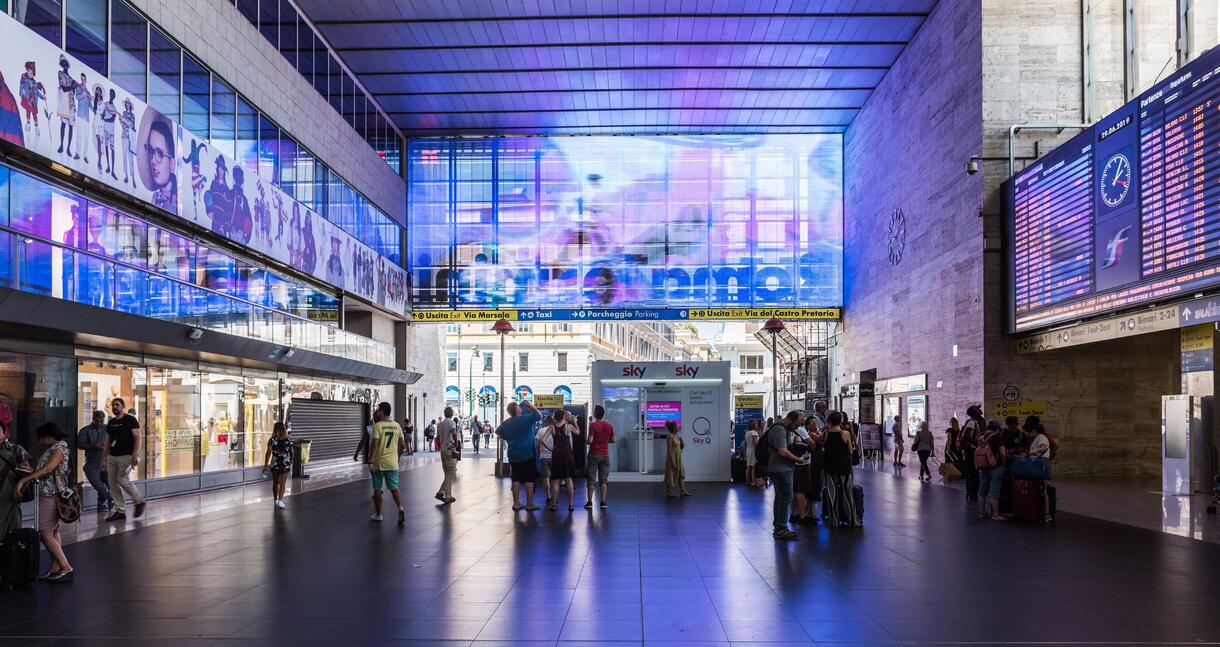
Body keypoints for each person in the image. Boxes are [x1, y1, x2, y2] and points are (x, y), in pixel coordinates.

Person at [14, 422, 74, 583]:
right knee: (53, 532)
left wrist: (24, 480)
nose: (40, 442)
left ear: (49, 436)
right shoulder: (54, 449)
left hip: (50, 494)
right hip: (50, 493)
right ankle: (56, 568)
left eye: (42, 438)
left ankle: (66, 567)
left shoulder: (59, 449)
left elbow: (48, 469)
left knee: (44, 534)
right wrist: (30, 472)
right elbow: (45, 470)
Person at [765, 411, 806, 540]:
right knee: (785, 498)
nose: (797, 427)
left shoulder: (781, 429)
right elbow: (782, 451)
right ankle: (781, 528)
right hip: (781, 469)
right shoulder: (779, 430)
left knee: (781, 497)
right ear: (790, 420)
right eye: (797, 424)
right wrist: (798, 459)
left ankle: (779, 526)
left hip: (780, 468)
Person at [102, 398, 144, 522]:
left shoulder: (130, 420)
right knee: (112, 483)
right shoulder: (111, 422)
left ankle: (139, 501)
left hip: (126, 456)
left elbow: (137, 438)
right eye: (113, 405)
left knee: (122, 479)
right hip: (112, 456)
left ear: (123, 406)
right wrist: (103, 459)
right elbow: (107, 441)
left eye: (117, 405)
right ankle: (120, 511)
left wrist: (134, 455)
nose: (115, 407)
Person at [499, 399, 542, 511]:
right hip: (527, 453)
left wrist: (508, 438)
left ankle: (516, 503)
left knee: (516, 479)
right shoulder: (525, 419)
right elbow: (539, 415)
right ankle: (529, 503)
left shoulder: (506, 422)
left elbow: (498, 432)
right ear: (517, 409)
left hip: (513, 454)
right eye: (519, 406)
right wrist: (529, 405)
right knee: (529, 479)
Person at [369, 402, 406, 524]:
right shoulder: (397, 426)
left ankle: (379, 514)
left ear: (382, 412)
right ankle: (400, 507)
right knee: (394, 487)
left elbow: (374, 444)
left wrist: (369, 460)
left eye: (379, 410)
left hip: (378, 462)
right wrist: (397, 457)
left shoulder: (378, 426)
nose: (377, 412)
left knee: (377, 488)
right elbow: (402, 445)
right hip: (392, 463)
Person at [823, 411, 862, 528]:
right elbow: (850, 451)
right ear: (840, 421)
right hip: (844, 466)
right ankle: (852, 520)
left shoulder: (826, 434)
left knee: (832, 492)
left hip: (829, 465)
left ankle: (834, 520)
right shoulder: (845, 433)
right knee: (847, 492)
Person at [541, 410, 581, 512]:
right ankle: (571, 505)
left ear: (555, 417)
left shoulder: (551, 427)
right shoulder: (568, 427)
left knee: (556, 480)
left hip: (556, 455)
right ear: (563, 417)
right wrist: (575, 422)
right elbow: (578, 432)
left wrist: (550, 448)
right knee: (568, 480)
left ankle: (554, 504)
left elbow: (542, 440)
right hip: (567, 455)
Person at [0, 420, 33, 539]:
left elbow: (27, 472)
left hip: (9, 495)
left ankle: (9, 555)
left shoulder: (15, 450)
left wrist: (21, 489)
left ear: (4, 434)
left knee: (10, 532)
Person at [77, 410, 112, 513]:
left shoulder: (108, 429)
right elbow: (80, 445)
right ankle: (109, 497)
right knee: (96, 482)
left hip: (107, 460)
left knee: (109, 482)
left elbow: (114, 442)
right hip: (92, 461)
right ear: (93, 419)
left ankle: (103, 503)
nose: (99, 423)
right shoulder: (85, 430)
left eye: (101, 421)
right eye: (97, 421)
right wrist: (94, 446)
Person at [585, 404, 614, 509]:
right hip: (605, 454)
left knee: (591, 478)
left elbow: (590, 441)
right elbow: (613, 440)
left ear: (595, 414)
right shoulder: (609, 425)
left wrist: (587, 441)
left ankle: (589, 502)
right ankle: (603, 502)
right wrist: (604, 440)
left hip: (594, 454)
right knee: (603, 479)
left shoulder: (593, 425)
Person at [978, 421, 1007, 520]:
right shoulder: (998, 437)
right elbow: (1003, 453)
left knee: (983, 489)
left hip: (983, 465)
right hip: (996, 466)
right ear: (997, 429)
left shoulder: (982, 437)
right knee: (995, 489)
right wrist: (1003, 463)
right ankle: (995, 514)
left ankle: (982, 512)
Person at [262, 422, 292, 509]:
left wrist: (265, 465)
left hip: (275, 463)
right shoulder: (288, 440)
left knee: (275, 483)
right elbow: (292, 452)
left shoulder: (272, 440)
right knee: (282, 484)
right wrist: (290, 460)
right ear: (284, 429)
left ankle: (275, 500)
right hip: (285, 463)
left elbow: (268, 453)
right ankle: (280, 501)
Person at [959, 406, 985, 502]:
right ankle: (972, 493)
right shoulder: (972, 422)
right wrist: (976, 441)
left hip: (971, 450)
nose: (980, 409)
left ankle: (971, 492)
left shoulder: (975, 421)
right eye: (978, 409)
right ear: (974, 412)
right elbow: (966, 435)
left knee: (972, 472)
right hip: (971, 450)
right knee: (972, 472)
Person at [435, 407, 459, 505]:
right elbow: (454, 433)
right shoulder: (451, 423)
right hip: (449, 450)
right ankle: (441, 492)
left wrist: (442, 446)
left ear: (445, 414)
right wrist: (455, 444)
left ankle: (448, 496)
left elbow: (438, 438)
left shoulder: (440, 424)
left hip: (443, 451)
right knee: (452, 472)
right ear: (452, 414)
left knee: (447, 473)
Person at [664, 421, 691, 497]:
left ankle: (683, 491)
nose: (679, 427)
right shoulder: (670, 436)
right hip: (672, 458)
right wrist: (672, 461)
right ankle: (668, 491)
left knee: (680, 473)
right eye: (677, 426)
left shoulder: (676, 436)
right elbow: (669, 449)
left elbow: (678, 447)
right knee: (670, 473)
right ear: (674, 428)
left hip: (678, 458)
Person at [743, 419, 761, 487]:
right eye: (756, 424)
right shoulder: (754, 433)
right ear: (753, 425)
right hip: (753, 451)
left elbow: (746, 443)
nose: (757, 425)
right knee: (753, 467)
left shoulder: (747, 432)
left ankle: (747, 481)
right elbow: (755, 443)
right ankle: (753, 482)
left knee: (748, 467)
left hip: (748, 450)